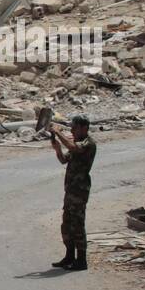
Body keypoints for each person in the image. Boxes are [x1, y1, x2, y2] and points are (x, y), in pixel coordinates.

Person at [51, 115, 96, 271]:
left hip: (80, 191)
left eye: (75, 128)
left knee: (77, 224)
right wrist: (57, 150)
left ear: (84, 128)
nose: (72, 130)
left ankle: (81, 260)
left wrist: (58, 132)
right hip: (70, 190)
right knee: (67, 224)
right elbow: (64, 159)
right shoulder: (76, 144)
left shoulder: (88, 144)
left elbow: (73, 148)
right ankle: (69, 256)